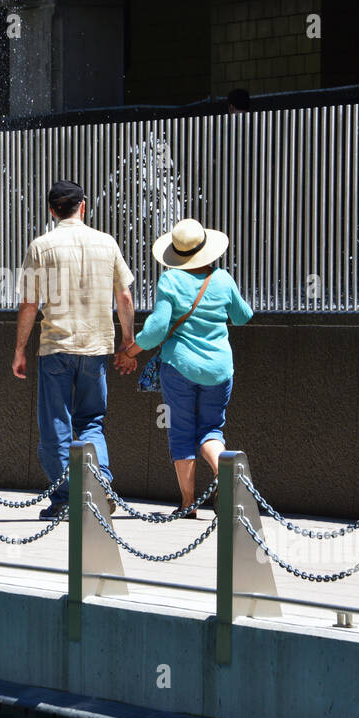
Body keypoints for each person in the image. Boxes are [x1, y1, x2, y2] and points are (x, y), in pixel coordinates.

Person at [14, 181, 135, 519]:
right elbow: (124, 298)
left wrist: (20, 349)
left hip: (56, 347)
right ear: (83, 206)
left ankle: (66, 499)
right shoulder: (106, 243)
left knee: (57, 425)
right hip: (96, 347)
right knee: (92, 421)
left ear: (52, 210)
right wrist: (127, 341)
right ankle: (102, 487)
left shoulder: (41, 246)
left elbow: (28, 304)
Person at [116, 218, 253, 516]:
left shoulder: (170, 280)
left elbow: (156, 330)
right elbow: (243, 316)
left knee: (181, 432)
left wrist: (130, 352)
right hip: (219, 369)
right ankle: (224, 473)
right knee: (211, 429)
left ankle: (188, 503)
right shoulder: (222, 279)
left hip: (179, 368)